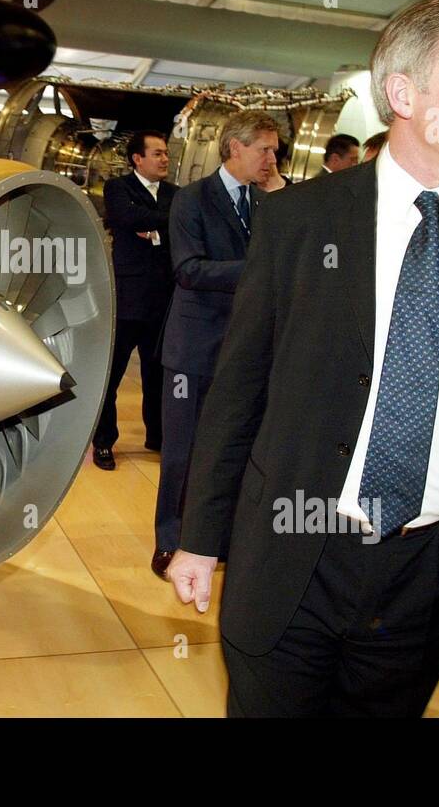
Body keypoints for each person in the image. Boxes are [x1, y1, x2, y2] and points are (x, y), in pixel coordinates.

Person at [169, 0, 439, 717]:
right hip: (294, 552)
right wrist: (199, 538)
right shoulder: (299, 219)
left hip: (432, 577)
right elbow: (240, 392)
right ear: (403, 94)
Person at [153, 111, 277, 579]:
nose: (272, 159)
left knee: (230, 448)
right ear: (234, 149)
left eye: (275, 150)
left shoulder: (267, 204)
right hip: (196, 348)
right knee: (183, 452)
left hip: (246, 350)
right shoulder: (192, 200)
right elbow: (189, 268)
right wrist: (259, 271)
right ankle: (170, 540)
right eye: (263, 149)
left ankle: (217, 540)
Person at [93, 131, 176, 470]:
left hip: (163, 301)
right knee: (110, 376)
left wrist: (151, 227)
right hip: (127, 301)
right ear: (137, 159)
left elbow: (178, 224)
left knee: (158, 377)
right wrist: (160, 225)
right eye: (157, 153)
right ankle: (103, 443)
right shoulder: (118, 188)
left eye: (166, 153)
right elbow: (124, 218)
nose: (164, 159)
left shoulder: (176, 194)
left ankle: (157, 437)